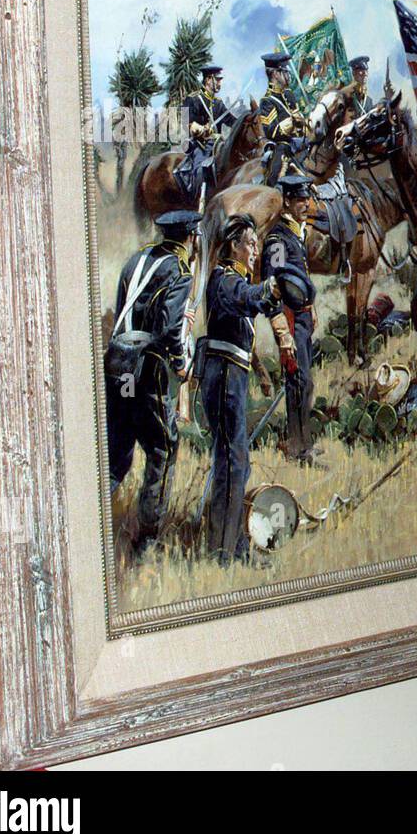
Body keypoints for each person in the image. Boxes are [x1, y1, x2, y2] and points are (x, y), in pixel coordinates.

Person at [103, 208, 201, 553]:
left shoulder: (135, 260)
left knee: (117, 451)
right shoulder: (179, 270)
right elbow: (171, 329)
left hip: (118, 363)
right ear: (190, 237)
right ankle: (147, 540)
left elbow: (121, 312)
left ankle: (95, 520)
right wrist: (180, 365)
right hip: (147, 368)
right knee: (162, 448)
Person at [198, 214, 280, 563]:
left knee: (235, 462)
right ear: (233, 245)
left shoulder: (233, 281)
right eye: (250, 243)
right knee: (233, 462)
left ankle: (231, 542)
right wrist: (267, 290)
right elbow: (244, 295)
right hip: (225, 376)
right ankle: (225, 551)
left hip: (231, 375)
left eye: (257, 244)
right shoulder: (224, 279)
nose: (255, 250)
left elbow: (247, 312)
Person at [261, 173, 320, 465]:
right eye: (299, 200)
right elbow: (270, 286)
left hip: (303, 318)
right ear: (286, 202)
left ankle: (302, 442)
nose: (305, 204)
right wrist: (282, 332)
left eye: (306, 199)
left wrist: (312, 308)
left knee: (305, 384)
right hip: (290, 319)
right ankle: (298, 449)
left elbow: (302, 277)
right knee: (298, 381)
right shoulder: (277, 238)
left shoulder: (296, 232)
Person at [177, 64, 231, 202]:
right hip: (200, 145)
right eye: (217, 80)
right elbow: (184, 121)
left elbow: (231, 120)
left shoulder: (218, 103)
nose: (220, 83)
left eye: (220, 80)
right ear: (208, 80)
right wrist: (197, 128)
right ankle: (197, 201)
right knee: (200, 170)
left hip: (218, 145)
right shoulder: (194, 99)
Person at [257, 51, 310, 185]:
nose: (288, 74)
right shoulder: (267, 100)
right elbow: (272, 132)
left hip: (299, 141)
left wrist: (302, 121)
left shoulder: (288, 94)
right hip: (283, 145)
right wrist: (292, 122)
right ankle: (275, 191)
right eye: (284, 71)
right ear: (275, 74)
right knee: (279, 164)